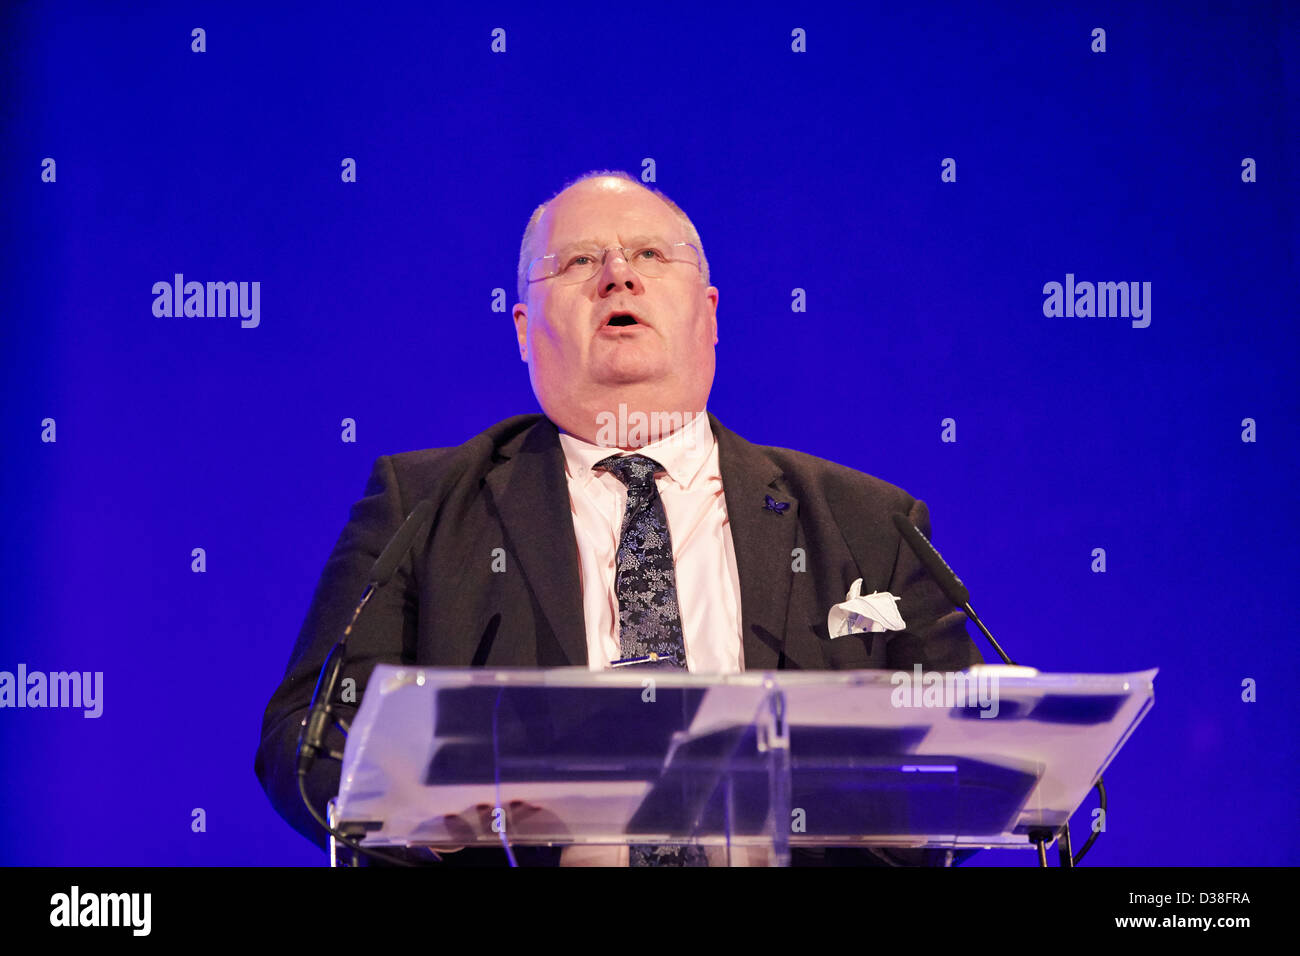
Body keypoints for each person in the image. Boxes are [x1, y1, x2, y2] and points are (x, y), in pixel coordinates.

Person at [254, 170, 983, 866]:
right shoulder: (423, 506)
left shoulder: (870, 523)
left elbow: (973, 759)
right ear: (521, 329)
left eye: (649, 256)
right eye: (576, 262)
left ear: (710, 314)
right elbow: (305, 741)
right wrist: (433, 806)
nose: (617, 277)